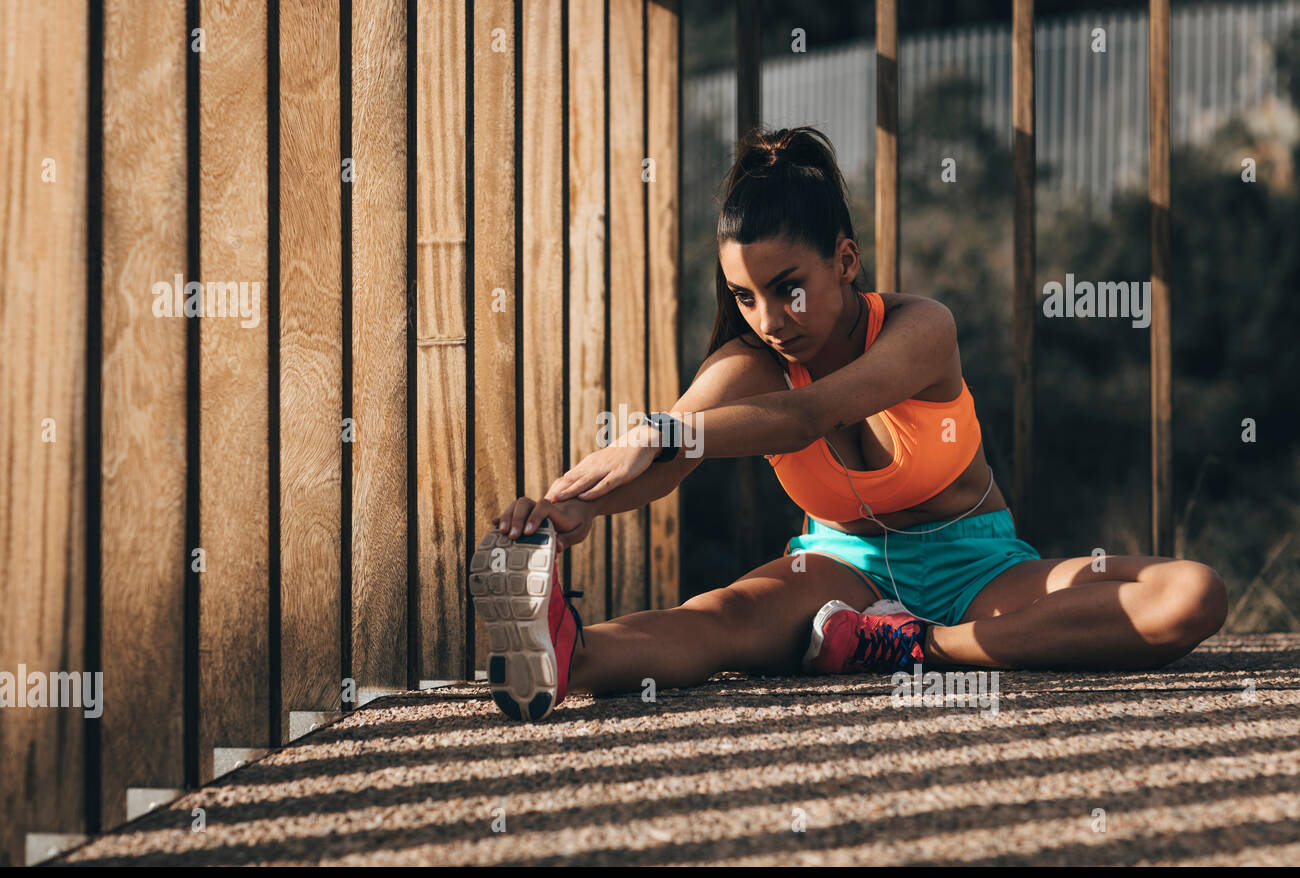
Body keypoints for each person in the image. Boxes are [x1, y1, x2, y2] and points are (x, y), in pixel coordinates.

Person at [470, 125, 1227, 722]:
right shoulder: (748, 365)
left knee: (1191, 594)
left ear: (846, 260)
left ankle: (915, 648)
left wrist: (660, 430)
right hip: (836, 573)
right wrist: (571, 509)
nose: (768, 320)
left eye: (787, 288)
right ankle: (565, 651)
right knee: (715, 620)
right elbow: (668, 463)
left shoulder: (921, 329)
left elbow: (812, 413)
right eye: (744, 297)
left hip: (980, 569)